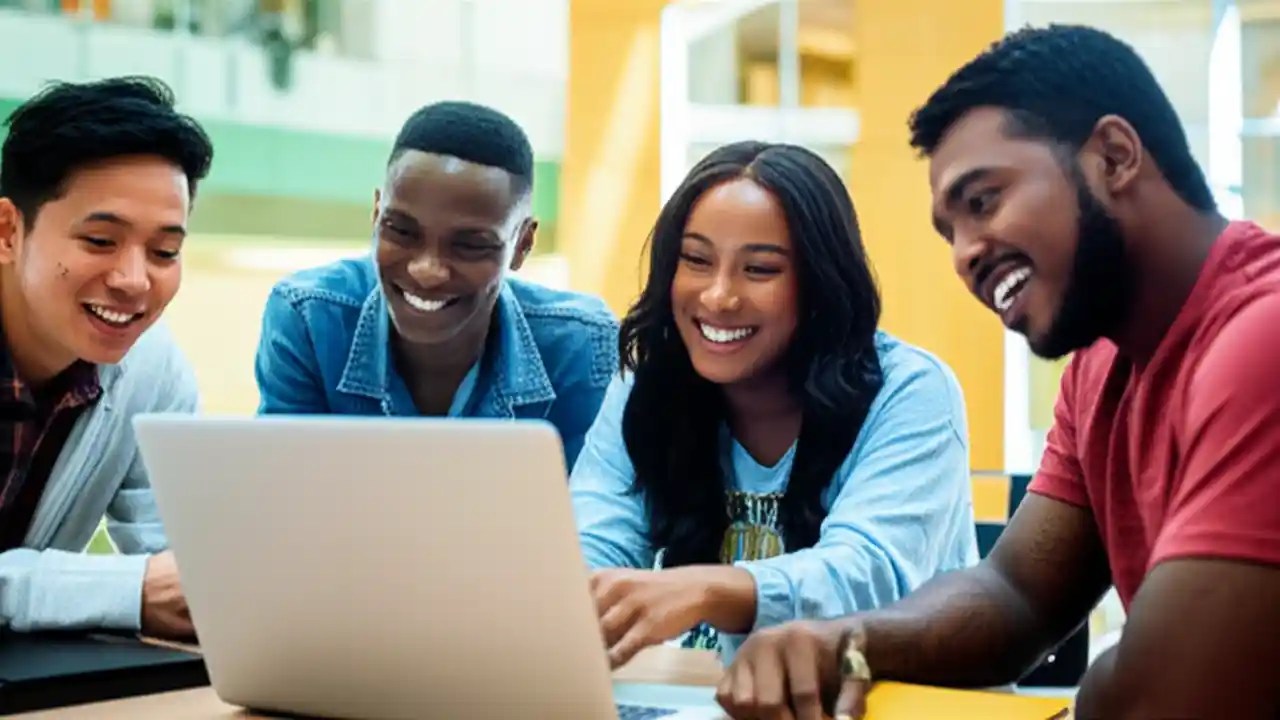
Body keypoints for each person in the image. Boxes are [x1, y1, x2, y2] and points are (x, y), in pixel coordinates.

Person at [715, 24, 1280, 720]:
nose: (965, 255)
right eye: (949, 232)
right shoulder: (1099, 367)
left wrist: (1102, 688)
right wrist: (842, 641)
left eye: (982, 202)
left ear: (1114, 156)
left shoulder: (1263, 340)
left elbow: (1156, 695)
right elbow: (1016, 594)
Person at [570, 140, 978, 670]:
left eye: (759, 270)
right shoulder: (649, 386)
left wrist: (707, 591)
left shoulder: (911, 391)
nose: (718, 296)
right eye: (695, 260)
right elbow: (592, 546)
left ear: (820, 284)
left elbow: (867, 576)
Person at [254, 101, 617, 468]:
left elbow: (586, 517)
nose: (427, 270)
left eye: (471, 245)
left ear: (522, 244)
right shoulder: (311, 321)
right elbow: (285, 500)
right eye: (401, 231)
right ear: (376, 214)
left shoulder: (579, 346)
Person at [0, 76, 212, 638]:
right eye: (100, 241)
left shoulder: (154, 371)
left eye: (165, 251)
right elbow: (147, 587)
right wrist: (124, 590)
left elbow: (183, 569)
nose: (133, 280)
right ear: (6, 232)